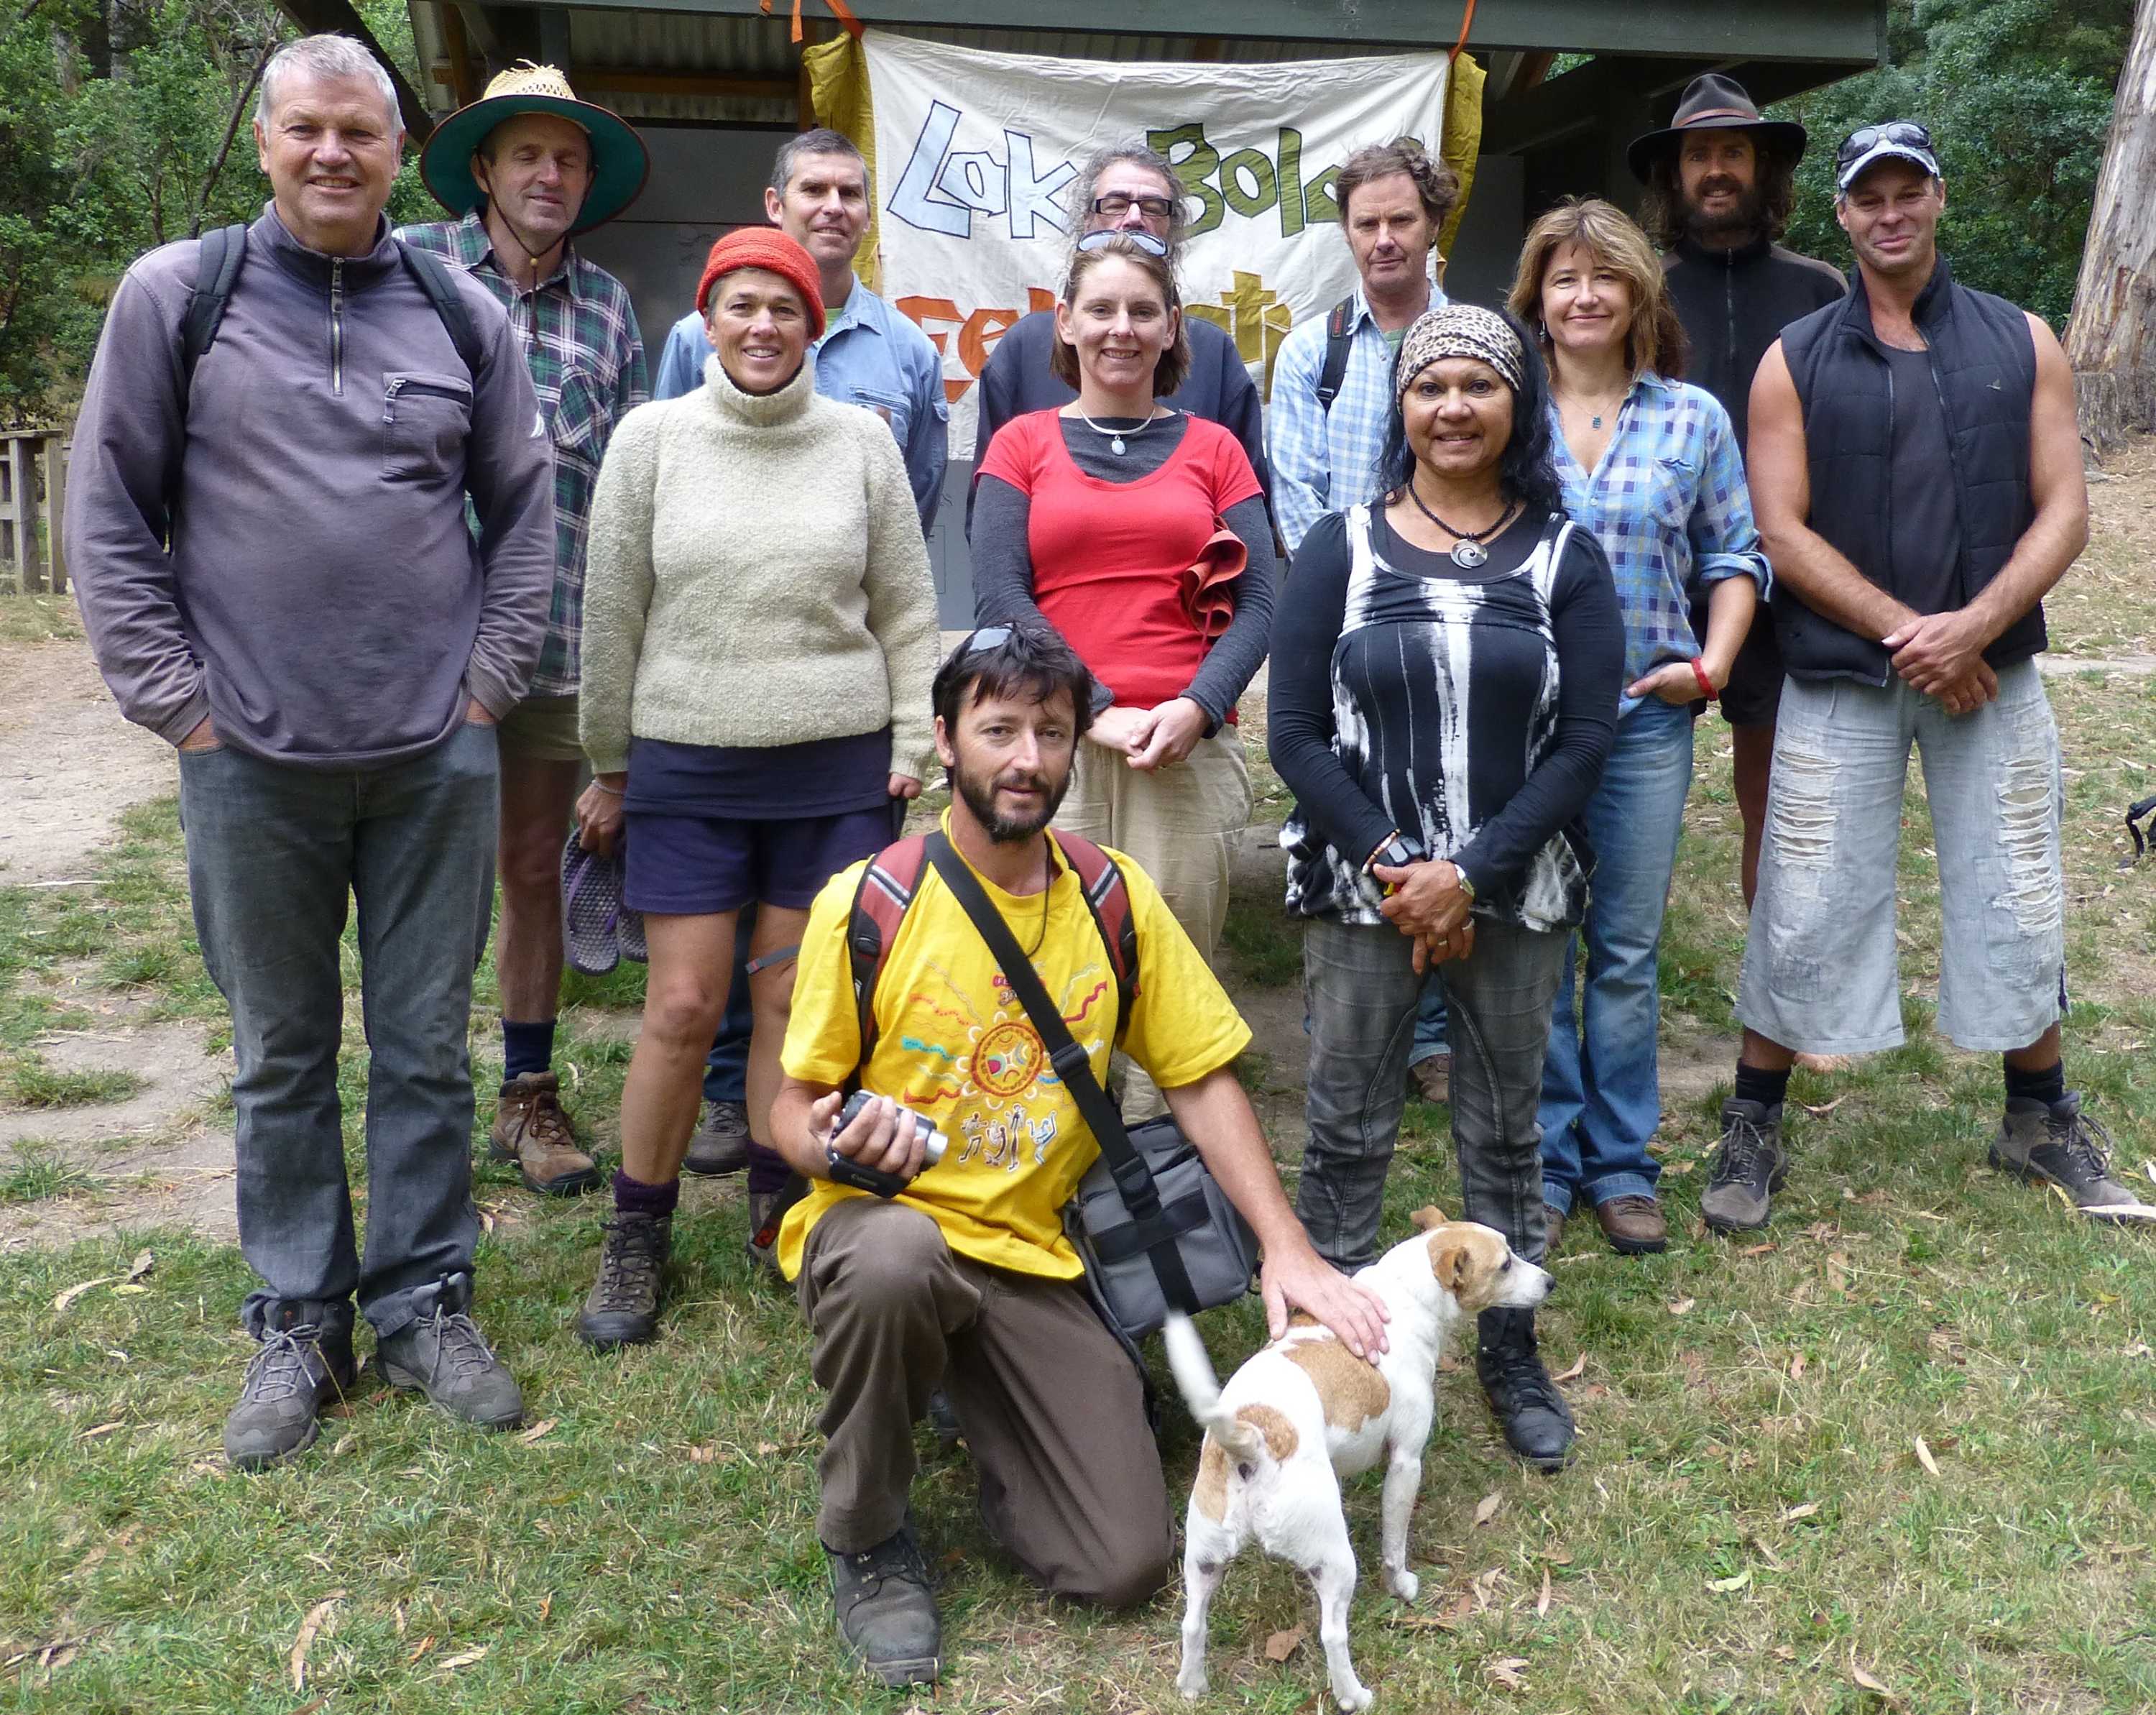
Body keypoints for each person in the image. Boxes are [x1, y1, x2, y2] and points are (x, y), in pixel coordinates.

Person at [65, 33, 555, 1466]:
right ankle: (297, 1321)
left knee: (420, 1048)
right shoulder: (183, 296)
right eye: (307, 131)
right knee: (281, 1051)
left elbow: (523, 512)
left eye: (363, 131)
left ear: (402, 152)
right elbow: (109, 514)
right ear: (267, 140)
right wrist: (181, 703)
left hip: (432, 755)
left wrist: (487, 687)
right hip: (249, 758)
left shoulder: (461, 312)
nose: (334, 153)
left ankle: (421, 1303)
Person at [768, 622, 1389, 1687]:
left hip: (1034, 1256)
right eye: (998, 728)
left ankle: (977, 1388)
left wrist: (1286, 1246)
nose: (1026, 756)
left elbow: (1197, 1075)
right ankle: (866, 1532)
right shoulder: (870, 901)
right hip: (882, 1230)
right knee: (893, 1266)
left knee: (1123, 1560)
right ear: (945, 742)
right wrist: (830, 1136)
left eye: (1050, 732)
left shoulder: (1112, 896)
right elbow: (791, 1103)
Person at [1708, 123, 2120, 1230]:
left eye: (1909, 191)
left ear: (1938, 198)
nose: (1889, 213)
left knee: (2018, 883)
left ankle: (2038, 1115)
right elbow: (1779, 531)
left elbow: (2066, 508)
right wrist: (1913, 634)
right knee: (1804, 891)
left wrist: (1975, 628)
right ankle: (1754, 1122)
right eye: (1868, 198)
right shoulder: (1794, 357)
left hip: (1991, 670)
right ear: (1841, 215)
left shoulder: (2023, 339)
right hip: (1845, 670)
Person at [1268, 303, 1623, 1470]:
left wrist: (1468, 875)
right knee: (1348, 1129)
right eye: (1431, 387)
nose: (1453, 406)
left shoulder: (1566, 557)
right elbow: (1297, 734)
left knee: (1506, 1134)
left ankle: (1509, 1354)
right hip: (1363, 887)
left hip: (1516, 893)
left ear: (1516, 406)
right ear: (1403, 408)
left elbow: (1582, 746)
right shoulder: (1340, 546)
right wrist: (1399, 868)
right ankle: (1324, 1354)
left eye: (1479, 385)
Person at [572, 226, 940, 1344]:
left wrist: (914, 740)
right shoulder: (652, 439)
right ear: (706, 320)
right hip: (686, 762)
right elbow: (612, 609)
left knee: (792, 1003)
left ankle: (784, 1205)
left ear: (812, 325)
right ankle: (640, 1225)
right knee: (682, 1005)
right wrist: (608, 764)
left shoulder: (861, 445)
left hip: (833, 770)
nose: (763, 326)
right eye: (740, 306)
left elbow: (908, 604)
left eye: (783, 308)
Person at [651, 128, 948, 1183]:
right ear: (774, 203)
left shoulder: (905, 357)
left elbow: (910, 527)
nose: (833, 205)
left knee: (799, 956)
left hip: (832, 699)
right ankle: (726, 1091)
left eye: (850, 191)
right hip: (702, 709)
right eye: (812, 188)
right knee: (702, 956)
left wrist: (907, 716)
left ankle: (782, 1137)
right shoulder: (692, 357)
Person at [399, 63, 650, 1196]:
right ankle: (414, 1099)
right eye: (528, 155)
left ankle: (527, 1096)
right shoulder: (406, 271)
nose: (549, 175)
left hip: (555, 642)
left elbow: (635, 494)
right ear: (486, 170)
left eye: (569, 158)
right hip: (415, 644)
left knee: (530, 872)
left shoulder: (608, 309)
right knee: (413, 876)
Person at [1505, 199, 1769, 1258]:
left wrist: (1709, 667)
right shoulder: (1502, 409)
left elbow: (1736, 556)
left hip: (1643, 721)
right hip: (1520, 723)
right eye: (1563, 278)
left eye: (1603, 277)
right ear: (1536, 296)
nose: (1583, 296)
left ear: (1636, 296)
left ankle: (1621, 1165)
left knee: (1622, 948)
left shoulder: (1691, 419)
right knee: (1538, 938)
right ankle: (1548, 1158)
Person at [971, 234, 1276, 1118]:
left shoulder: (1215, 448)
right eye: (1100, 309)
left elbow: (1263, 598)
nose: (1122, 329)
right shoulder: (1023, 444)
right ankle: (1046, 1168)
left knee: (1170, 970)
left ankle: (1157, 1175)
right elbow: (1000, 591)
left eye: (1143, 311)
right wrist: (1088, 709)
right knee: (1044, 965)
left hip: (1180, 746)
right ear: (1063, 324)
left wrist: (1199, 707)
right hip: (1047, 742)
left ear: (1172, 326)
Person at [1268, 137, 1461, 1105]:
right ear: (1347, 233)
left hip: (1461, 625)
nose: (1384, 239)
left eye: (1402, 220)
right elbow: (1295, 502)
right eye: (1366, 223)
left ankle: (1431, 1030)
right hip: (1344, 630)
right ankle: (1341, 1022)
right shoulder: (1315, 348)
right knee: (1338, 815)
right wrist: (1356, 603)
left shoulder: (1475, 342)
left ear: (1433, 225)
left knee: (1444, 816)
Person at [1630, 74, 1846, 907]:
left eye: (1732, 152)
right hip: (1652, 578)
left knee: (1780, 800)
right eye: (1698, 156)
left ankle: (1780, 985)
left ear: (1763, 169)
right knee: (1628, 793)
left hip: (1788, 579)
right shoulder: (1636, 289)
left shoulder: (1821, 291)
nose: (1715, 170)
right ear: (1674, 177)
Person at [967, 143, 1268, 525]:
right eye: (1115, 203)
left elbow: (1246, 518)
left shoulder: (1215, 355)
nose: (1133, 219)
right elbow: (990, 523)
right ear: (1085, 220)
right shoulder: (1023, 349)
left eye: (1153, 207)